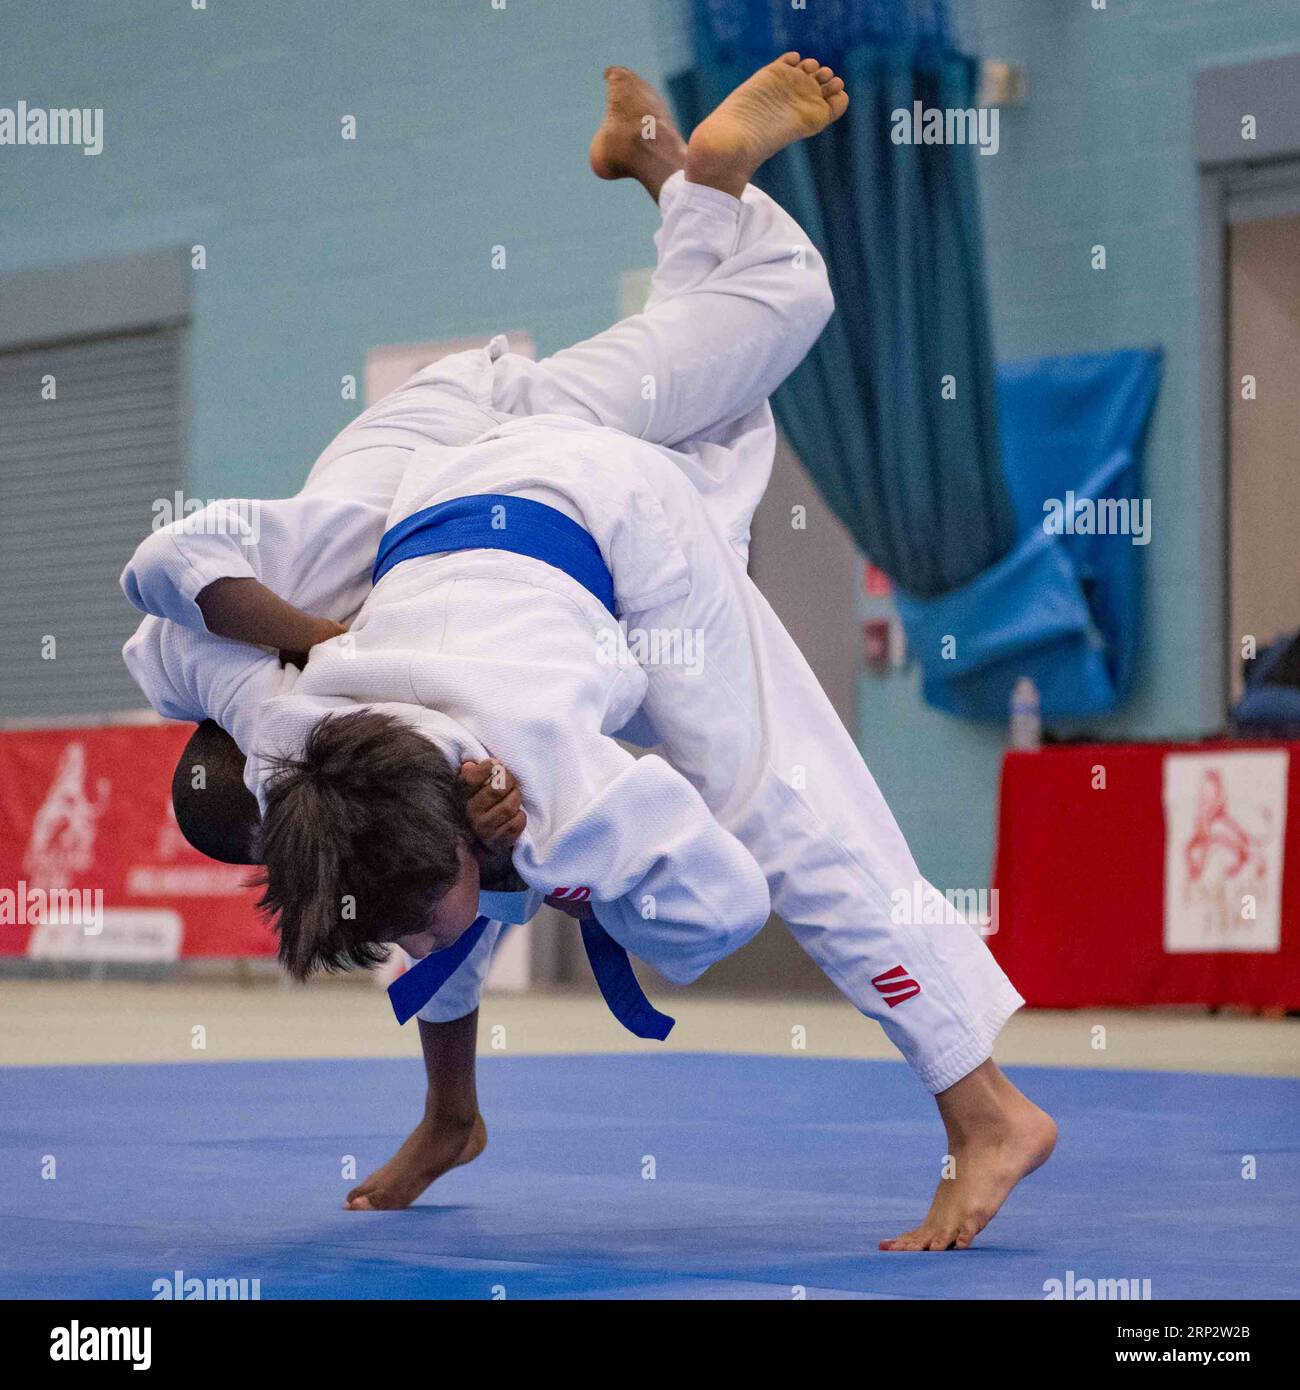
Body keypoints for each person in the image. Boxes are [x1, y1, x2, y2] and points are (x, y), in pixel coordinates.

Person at [123, 54, 1055, 1251]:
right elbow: (167, 610)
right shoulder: (285, 719)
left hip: (592, 515)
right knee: (741, 360)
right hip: (485, 466)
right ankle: (678, 179)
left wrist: (559, 866)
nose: (411, 946)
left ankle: (985, 1108)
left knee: (783, 805)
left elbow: (722, 911)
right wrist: (328, 651)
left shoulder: (536, 778)